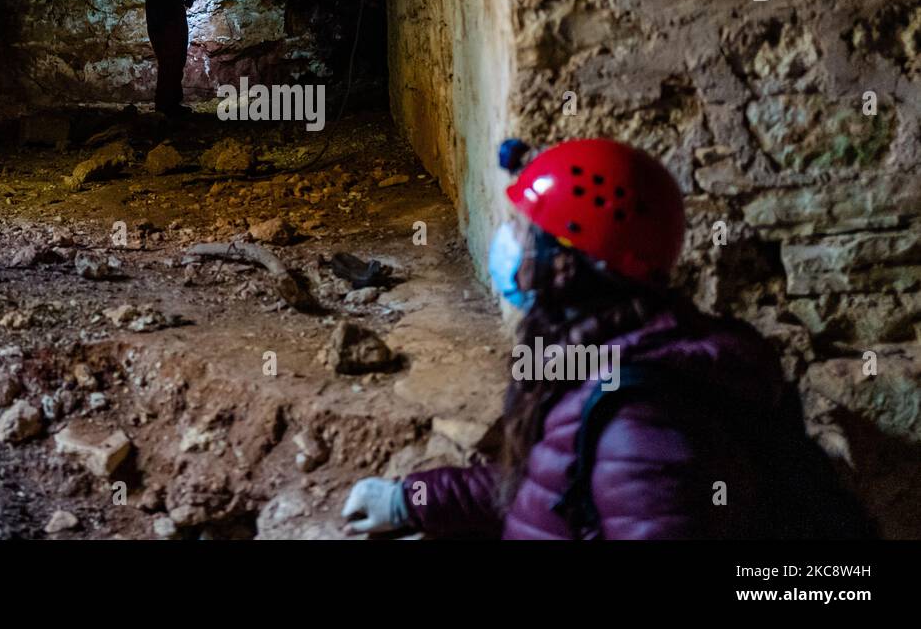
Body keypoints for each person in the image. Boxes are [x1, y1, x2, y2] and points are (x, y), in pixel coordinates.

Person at [342, 137, 875, 540]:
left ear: (572, 263)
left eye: (528, 234)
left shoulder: (640, 425)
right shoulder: (610, 355)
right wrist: (415, 498)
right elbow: (552, 488)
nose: (510, 245)